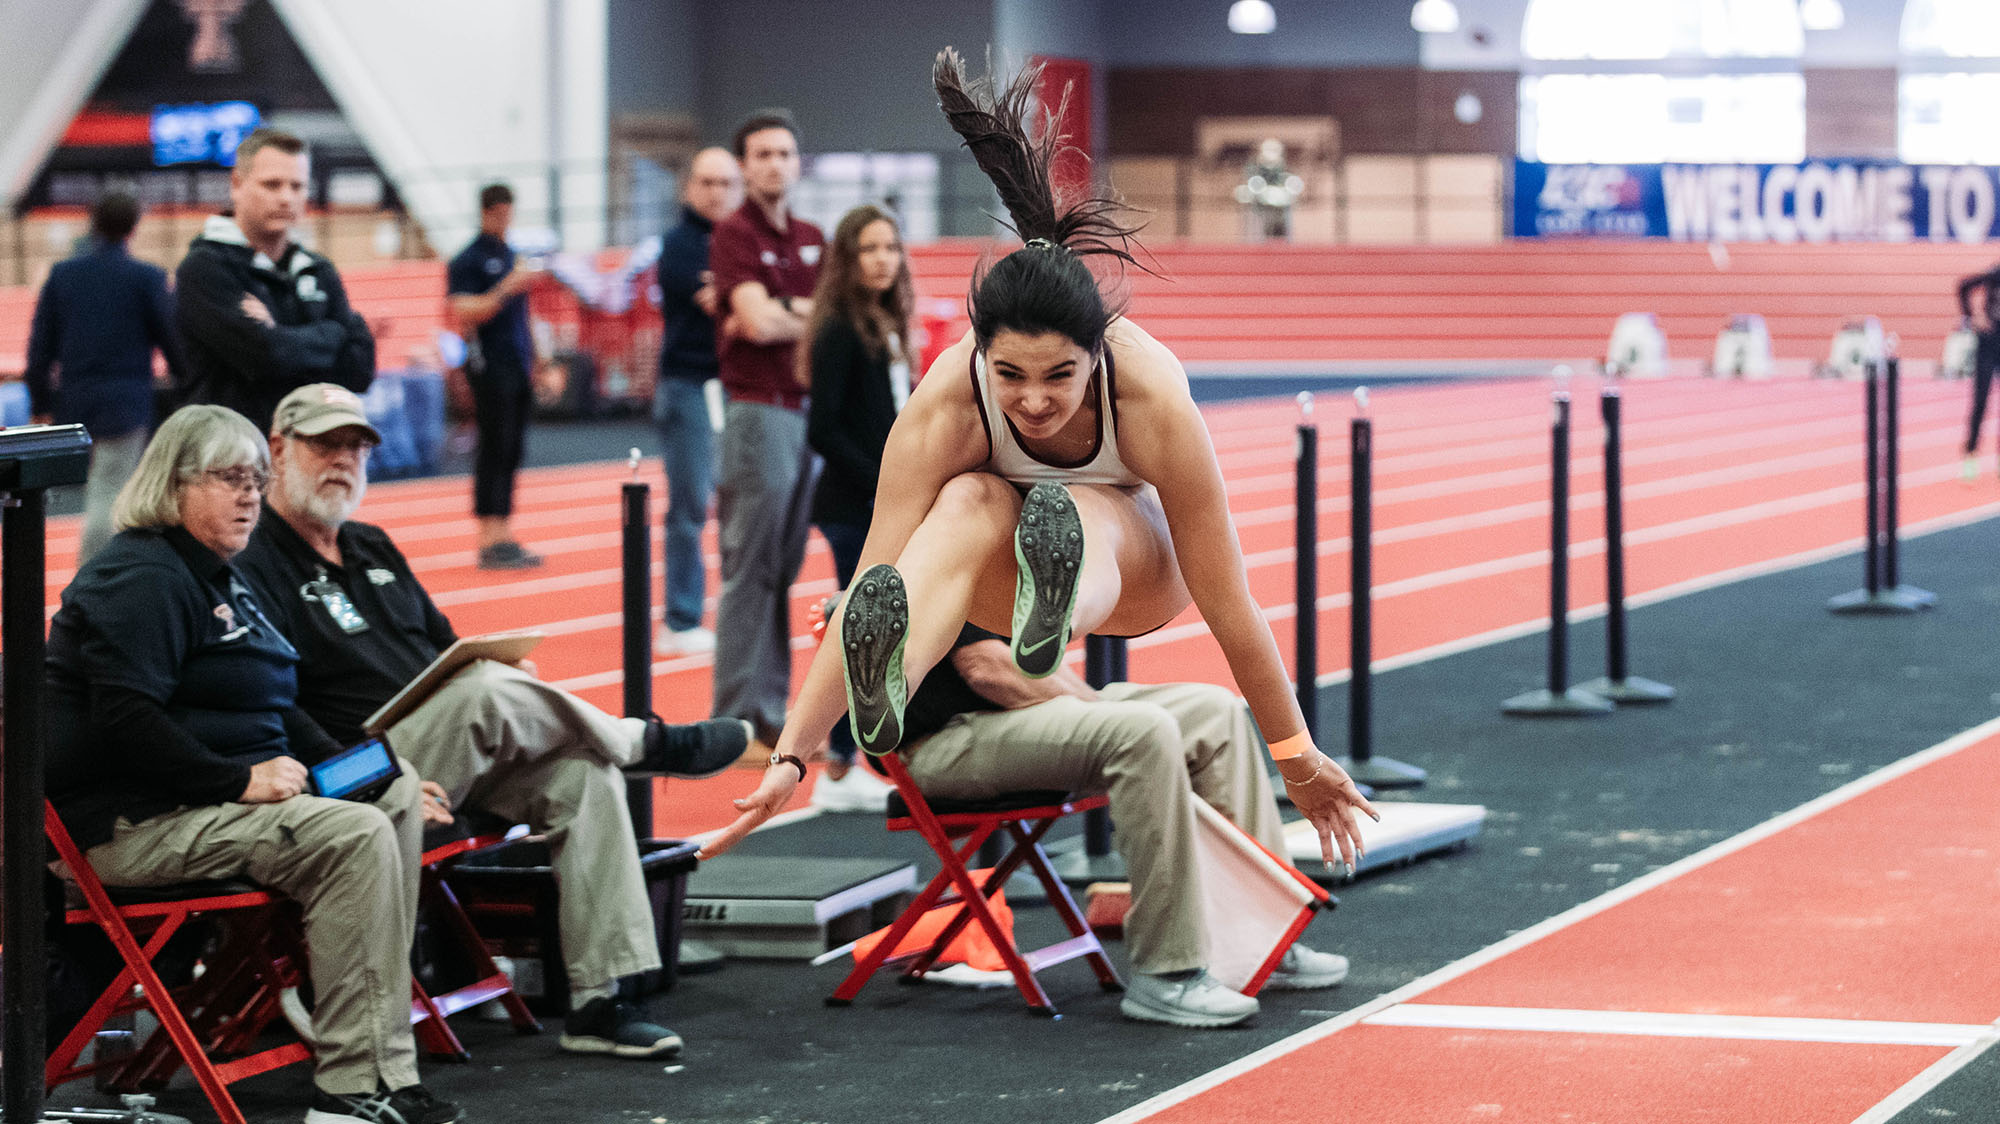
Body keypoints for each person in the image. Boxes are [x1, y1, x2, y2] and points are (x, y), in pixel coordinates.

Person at [705, 51, 1374, 894]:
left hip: (1136, 572)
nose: (1032, 403)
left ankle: (1051, 607)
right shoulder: (947, 403)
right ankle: (896, 681)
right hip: (987, 578)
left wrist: (1295, 752)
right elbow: (878, 568)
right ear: (980, 355)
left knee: (1073, 506)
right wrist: (796, 755)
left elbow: (1225, 597)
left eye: (1059, 377)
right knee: (965, 502)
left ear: (1097, 357)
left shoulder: (1152, 395)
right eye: (1010, 376)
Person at [235, 383, 753, 1060]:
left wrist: (514, 688)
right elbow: (271, 703)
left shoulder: (371, 545)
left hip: (447, 751)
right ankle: (643, 741)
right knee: (488, 692)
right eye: (324, 445)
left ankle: (601, 999)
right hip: (355, 771)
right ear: (278, 449)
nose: (343, 460)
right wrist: (367, 777)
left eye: (355, 447)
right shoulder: (255, 561)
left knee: (580, 772)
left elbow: (446, 651)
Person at [43, 404, 461, 1124]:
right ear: (173, 485)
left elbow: (279, 709)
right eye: (230, 478)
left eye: (257, 480)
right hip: (130, 825)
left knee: (386, 805)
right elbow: (126, 718)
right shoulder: (140, 575)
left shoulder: (218, 576)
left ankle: (387, 1068)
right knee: (352, 837)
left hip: (202, 809)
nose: (249, 496)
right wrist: (236, 780)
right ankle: (348, 1092)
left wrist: (374, 775)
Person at [897, 624, 1351, 1026]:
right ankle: (1167, 971)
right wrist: (1094, 709)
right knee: (1141, 730)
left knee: (1214, 711)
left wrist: (1090, 703)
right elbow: (988, 670)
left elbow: (1029, 666)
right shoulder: (936, 543)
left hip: (1011, 717)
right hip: (946, 743)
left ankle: (1262, 941)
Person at [708, 109, 825, 747]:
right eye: (762, 154)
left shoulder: (812, 235)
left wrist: (785, 310)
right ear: (745, 166)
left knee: (782, 570)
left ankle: (767, 711)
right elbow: (755, 325)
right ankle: (732, 722)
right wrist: (801, 312)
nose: (775, 163)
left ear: (797, 162)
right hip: (759, 412)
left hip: (808, 415)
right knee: (748, 566)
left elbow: (844, 319)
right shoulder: (733, 234)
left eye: (784, 152)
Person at [800, 204, 915, 813]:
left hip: (882, 503)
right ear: (848, 258)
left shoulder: (888, 323)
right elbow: (823, 429)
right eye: (870, 249)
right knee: (859, 631)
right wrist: (884, 485)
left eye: (891, 248)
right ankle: (841, 769)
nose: (883, 259)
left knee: (874, 629)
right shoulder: (840, 330)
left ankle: (852, 762)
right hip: (855, 506)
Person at [23, 190, 189, 563]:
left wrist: (40, 402)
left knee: (99, 491)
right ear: (134, 227)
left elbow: (40, 345)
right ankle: (92, 575)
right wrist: (188, 384)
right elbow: (171, 338)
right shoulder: (145, 277)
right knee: (109, 491)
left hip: (76, 399)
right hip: (125, 404)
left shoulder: (64, 275)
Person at [174, 127, 374, 431]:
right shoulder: (203, 268)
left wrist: (277, 332)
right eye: (272, 185)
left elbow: (359, 370)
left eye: (297, 186)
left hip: (308, 447)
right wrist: (333, 334)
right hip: (230, 455)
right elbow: (265, 358)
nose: (286, 198)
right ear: (237, 185)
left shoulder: (318, 269)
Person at [653, 148, 743, 655]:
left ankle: (727, 611)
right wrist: (750, 294)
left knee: (739, 502)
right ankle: (681, 619)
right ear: (690, 188)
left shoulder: (738, 241)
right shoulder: (679, 245)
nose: (717, 193)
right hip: (689, 385)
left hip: (732, 387)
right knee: (690, 505)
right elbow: (725, 301)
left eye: (727, 184)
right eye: (707, 183)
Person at [447, 183, 544, 570]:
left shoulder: (511, 255)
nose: (506, 220)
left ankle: (504, 533)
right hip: (489, 365)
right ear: (488, 212)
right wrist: (506, 287)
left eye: (510, 213)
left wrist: (542, 360)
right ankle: (488, 537)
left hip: (518, 363)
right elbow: (463, 310)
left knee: (513, 449)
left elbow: (526, 318)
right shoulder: (468, 260)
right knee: (494, 447)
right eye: (500, 213)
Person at [1956, 261, 2000, 479]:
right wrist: (1971, 317)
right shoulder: (1995, 274)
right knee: (1980, 402)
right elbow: (1964, 286)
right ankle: (1971, 454)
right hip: (1988, 345)